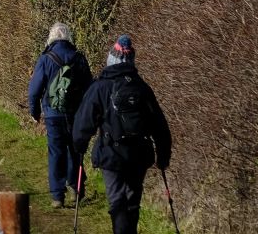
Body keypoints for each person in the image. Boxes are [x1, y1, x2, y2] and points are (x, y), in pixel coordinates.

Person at [71, 35, 173, 234]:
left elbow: (83, 122)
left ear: (111, 59)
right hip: (139, 155)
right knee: (132, 201)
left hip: (111, 154)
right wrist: (163, 156)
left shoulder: (100, 87)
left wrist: (79, 146)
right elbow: (160, 125)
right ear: (132, 60)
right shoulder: (142, 88)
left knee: (117, 201)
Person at [27, 22, 92, 208]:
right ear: (69, 37)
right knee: (75, 150)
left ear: (52, 37)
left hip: (53, 114)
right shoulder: (79, 58)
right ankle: (75, 187)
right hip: (75, 114)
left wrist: (35, 112)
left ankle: (57, 196)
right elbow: (90, 88)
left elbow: (34, 90)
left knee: (56, 152)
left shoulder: (46, 59)